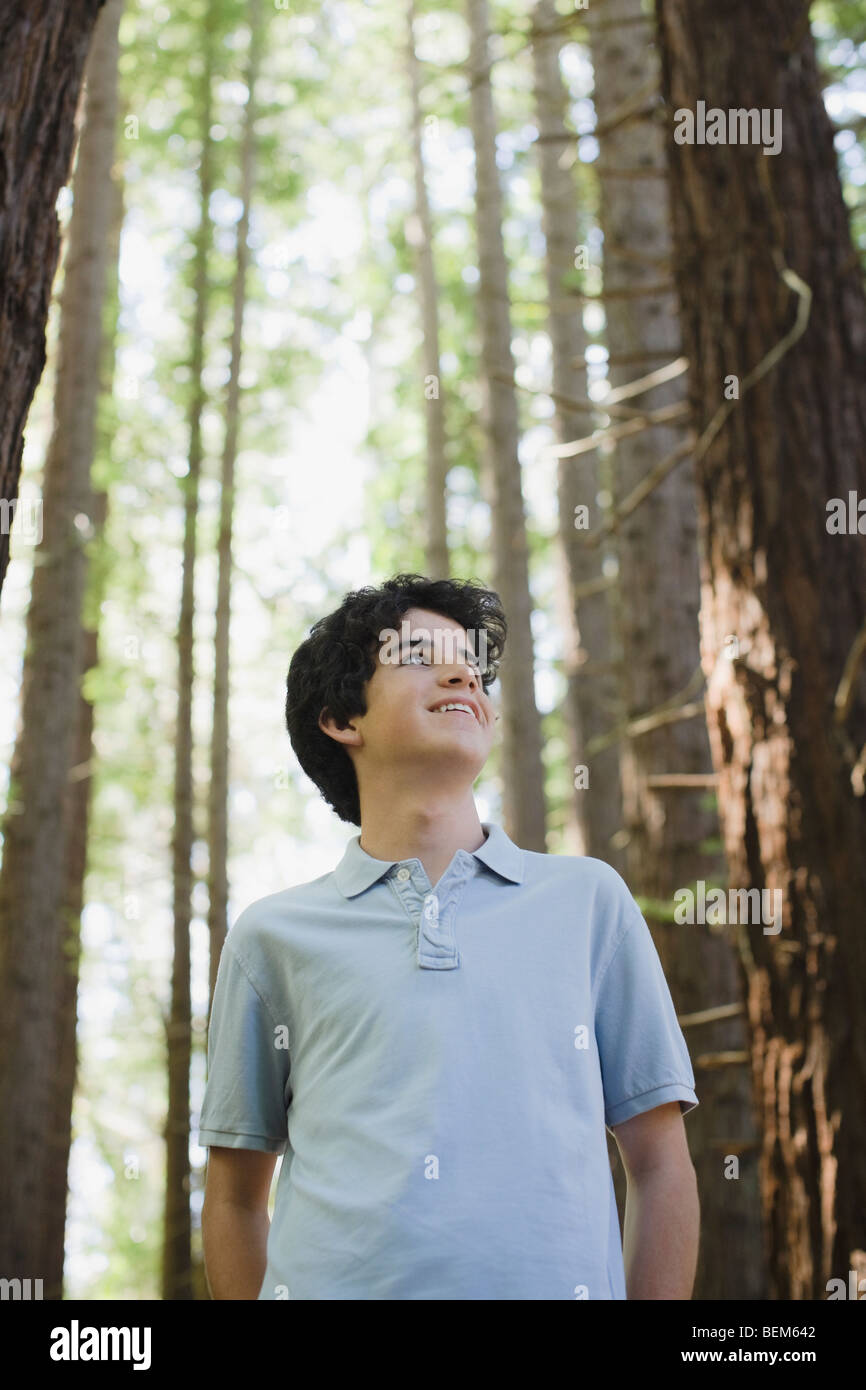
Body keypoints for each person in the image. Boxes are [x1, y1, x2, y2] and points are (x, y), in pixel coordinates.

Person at [199, 572, 700, 1299]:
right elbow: (236, 1199)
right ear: (343, 717)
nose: (464, 670)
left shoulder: (590, 904)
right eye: (419, 654)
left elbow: (660, 1165)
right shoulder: (271, 939)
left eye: (471, 661)